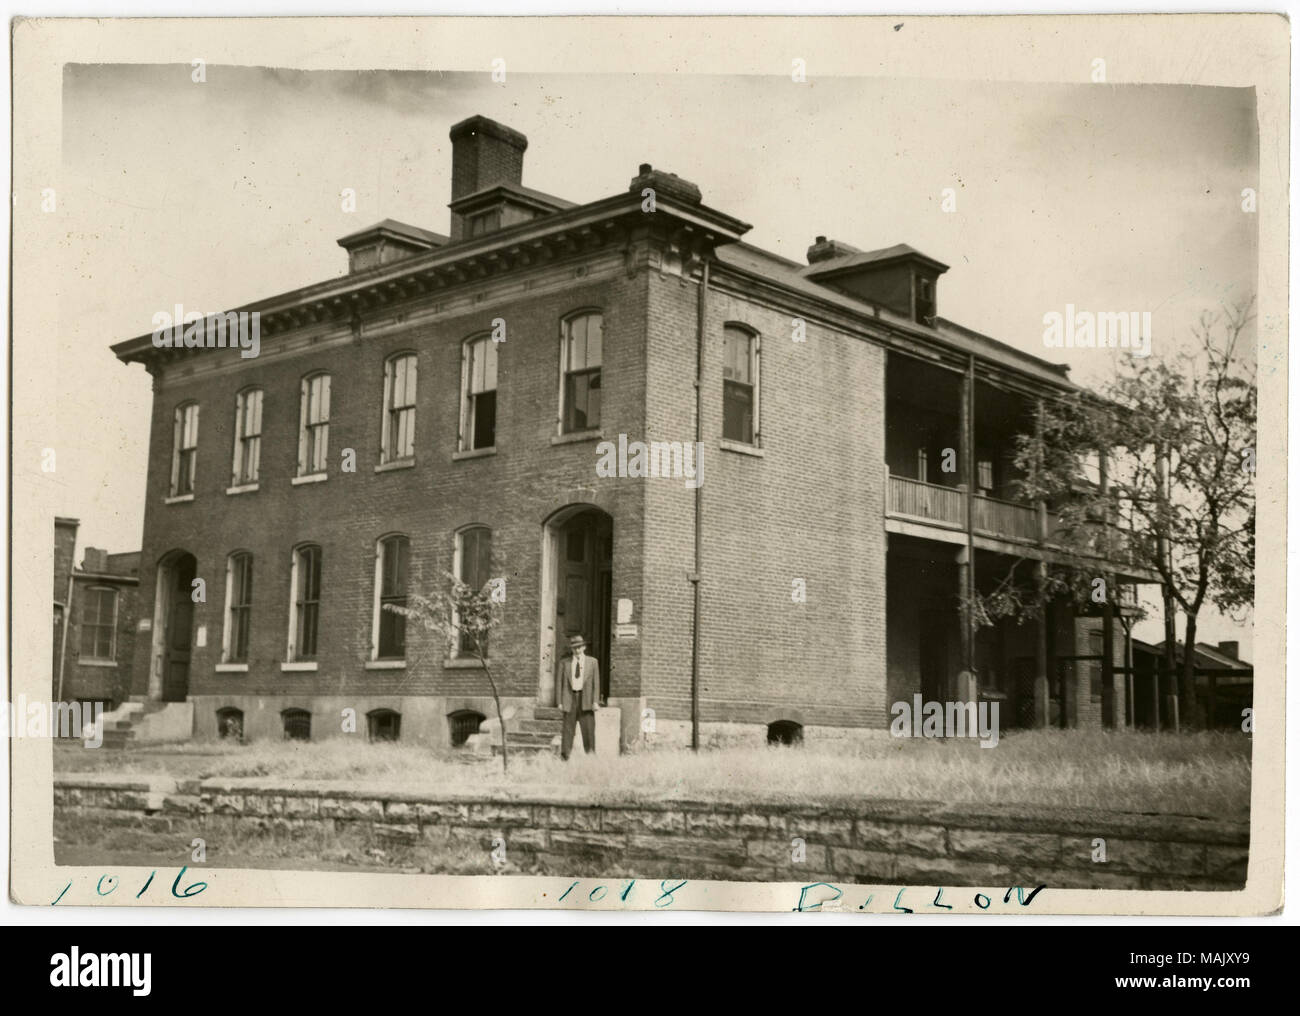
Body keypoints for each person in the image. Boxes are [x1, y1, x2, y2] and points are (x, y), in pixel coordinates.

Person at [557, 632, 599, 760]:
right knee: (568, 731)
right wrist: (559, 701)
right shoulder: (565, 663)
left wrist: (595, 701)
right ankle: (565, 758)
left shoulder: (592, 662)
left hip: (586, 699)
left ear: (584, 647)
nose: (577, 650)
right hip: (570, 699)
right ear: (571, 649)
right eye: (574, 647)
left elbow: (596, 683)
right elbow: (559, 682)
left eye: (579, 647)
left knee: (588, 731)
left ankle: (591, 757)